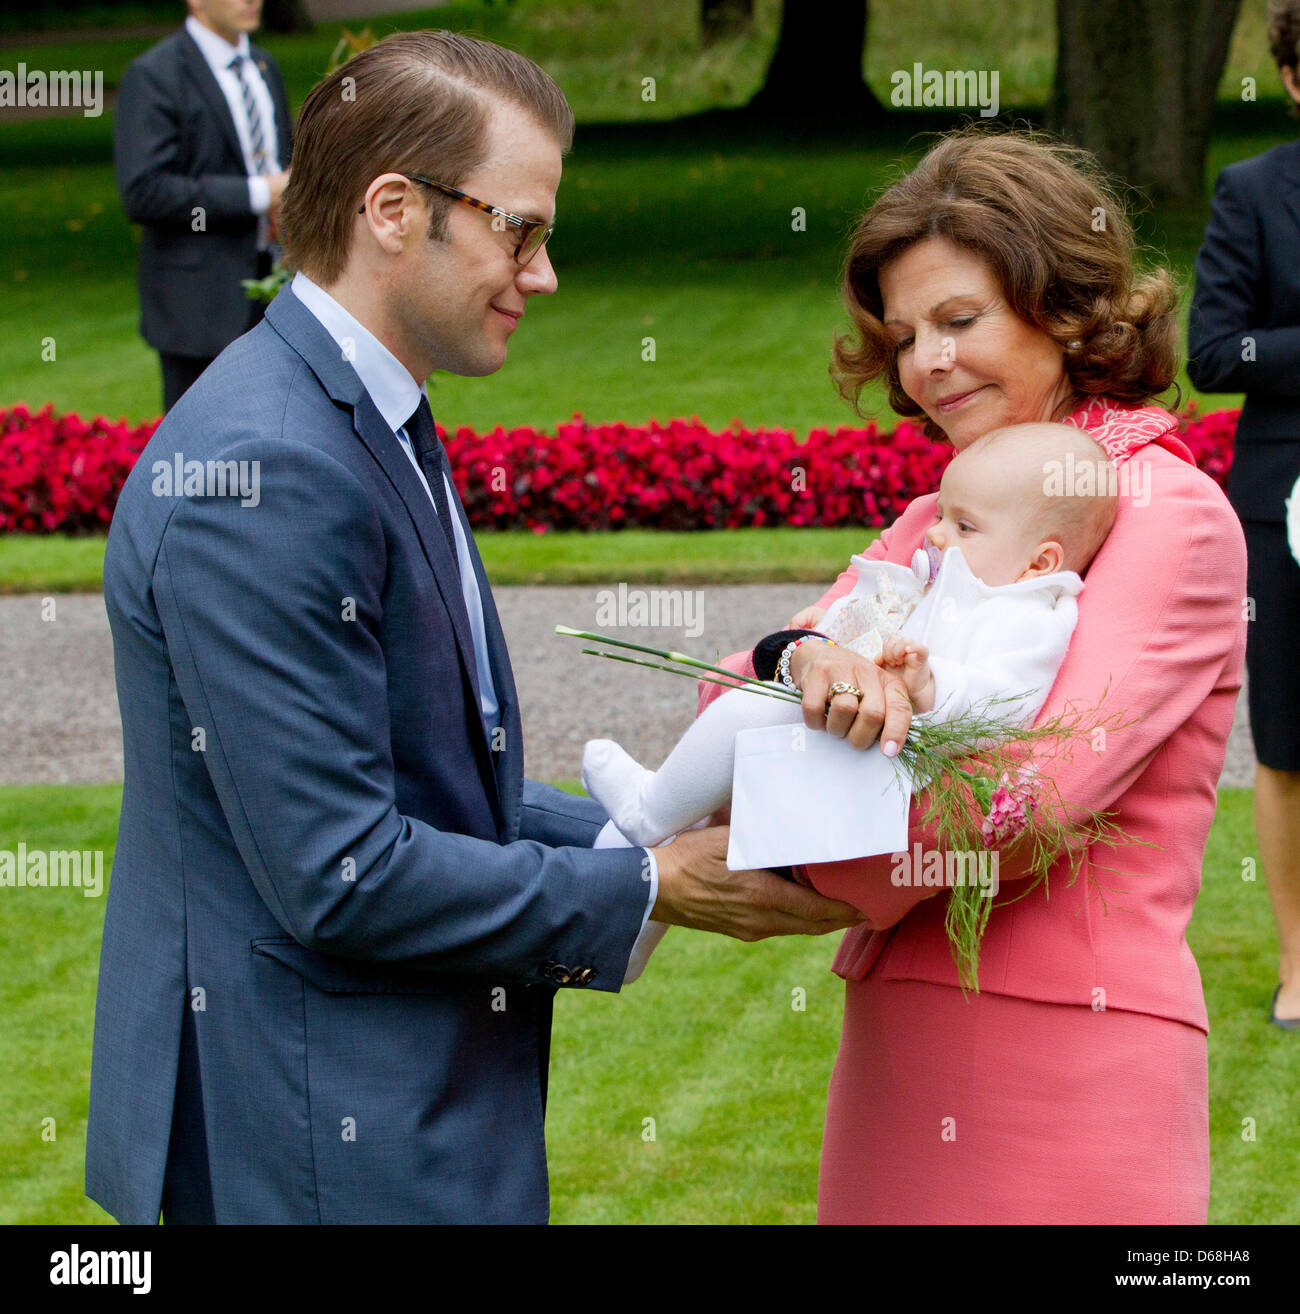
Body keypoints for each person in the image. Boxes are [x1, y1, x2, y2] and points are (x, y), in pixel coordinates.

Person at [85, 30, 861, 1226]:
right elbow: (341, 873)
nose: (542, 273)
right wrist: (652, 886)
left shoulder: (361, 409)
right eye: (521, 228)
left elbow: (429, 780)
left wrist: (660, 819)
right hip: (305, 1135)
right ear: (396, 210)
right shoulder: (267, 466)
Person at [700, 128, 1246, 1224]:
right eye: (904, 336)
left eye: (958, 320)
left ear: (1062, 305)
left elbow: (1031, 797)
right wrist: (801, 657)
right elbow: (724, 698)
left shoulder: (1168, 511)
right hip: (899, 1036)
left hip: (1073, 1047)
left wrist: (793, 883)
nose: (925, 363)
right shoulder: (933, 517)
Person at [583, 422, 1114, 857]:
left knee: (747, 714)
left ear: (1040, 562)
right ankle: (640, 903)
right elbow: (884, 615)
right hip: (866, 727)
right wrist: (835, 624)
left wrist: (929, 686)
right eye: (941, 516)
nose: (935, 534)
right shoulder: (967, 583)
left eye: (965, 527)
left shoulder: (1030, 617)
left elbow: (1007, 701)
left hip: (892, 757)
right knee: (691, 818)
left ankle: (650, 809)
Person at [1187, 0, 1300, 1030]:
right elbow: (1215, 353)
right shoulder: (1253, 192)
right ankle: (1299, 965)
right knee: (1288, 744)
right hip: (1283, 503)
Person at [114, 0, 292, 412]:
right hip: (198, 306)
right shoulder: (154, 75)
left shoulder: (265, 66)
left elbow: (282, 161)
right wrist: (261, 193)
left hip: (279, 289)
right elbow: (145, 191)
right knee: (202, 461)